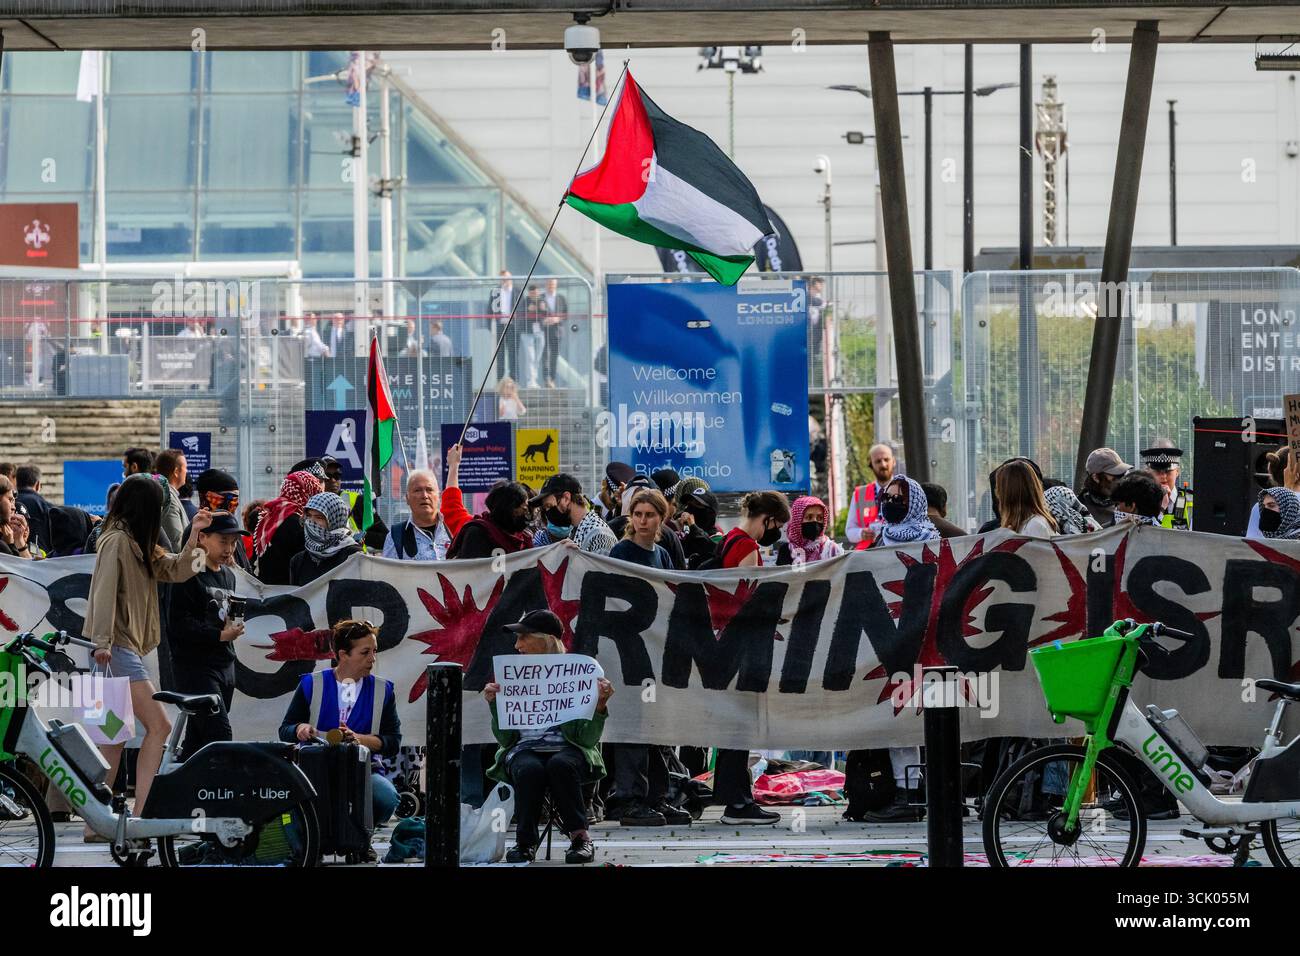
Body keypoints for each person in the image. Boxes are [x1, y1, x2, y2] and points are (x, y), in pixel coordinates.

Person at [84, 476, 213, 835]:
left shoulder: (134, 541)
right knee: (159, 726)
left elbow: (180, 570)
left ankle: (97, 822)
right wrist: (102, 642)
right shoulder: (118, 542)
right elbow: (105, 591)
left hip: (112, 650)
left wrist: (196, 538)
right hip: (115, 649)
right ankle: (143, 812)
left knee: (112, 740)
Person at [483, 610, 613, 863]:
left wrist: (599, 707)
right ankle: (524, 842)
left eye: (523, 637)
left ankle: (580, 838)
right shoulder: (512, 675)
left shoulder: (580, 672)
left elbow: (586, 741)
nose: (517, 645)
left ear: (545, 639)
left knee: (560, 765)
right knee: (529, 769)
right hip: (524, 749)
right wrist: (495, 705)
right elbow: (506, 739)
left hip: (570, 750)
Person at [279, 620, 403, 851]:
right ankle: (308, 845)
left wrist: (359, 739)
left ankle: (359, 840)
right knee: (290, 803)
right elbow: (285, 729)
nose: (372, 658)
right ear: (343, 654)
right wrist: (300, 729)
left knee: (386, 798)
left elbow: (393, 742)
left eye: (374, 651)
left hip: (363, 769)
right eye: (365, 652)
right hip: (315, 770)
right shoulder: (311, 684)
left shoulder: (382, 690)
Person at [710, 491, 790, 825]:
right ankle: (738, 803)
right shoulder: (747, 548)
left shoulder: (729, 540)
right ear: (767, 518)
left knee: (733, 725)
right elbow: (746, 601)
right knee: (740, 725)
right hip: (739, 646)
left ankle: (734, 796)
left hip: (723, 643)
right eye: (777, 524)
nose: (777, 532)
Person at [168, 511, 246, 760]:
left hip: (225, 666)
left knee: (198, 743)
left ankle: (183, 794)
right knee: (219, 736)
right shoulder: (188, 572)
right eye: (223, 541)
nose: (229, 548)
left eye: (234, 542)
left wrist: (229, 630)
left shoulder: (229, 575)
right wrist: (218, 635)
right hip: (195, 668)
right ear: (202, 537)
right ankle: (221, 795)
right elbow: (178, 624)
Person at [254, 470, 323, 585]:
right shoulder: (298, 523)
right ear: (305, 494)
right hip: (288, 591)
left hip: (266, 590)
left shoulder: (270, 516)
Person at [528, 473, 617, 556]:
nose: (548, 512)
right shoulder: (578, 529)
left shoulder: (598, 536)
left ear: (566, 498)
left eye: (549, 506)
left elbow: (601, 572)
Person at [447, 480, 532, 560]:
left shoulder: (524, 538)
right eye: (524, 509)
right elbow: (471, 570)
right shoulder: (478, 533)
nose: (527, 513)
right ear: (510, 509)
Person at [291, 492, 362, 586]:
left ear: (335, 520)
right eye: (308, 516)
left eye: (319, 517)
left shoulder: (353, 555)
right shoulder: (299, 560)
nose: (311, 522)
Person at [383, 469, 453, 561]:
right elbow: (388, 572)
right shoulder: (396, 536)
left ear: (439, 496)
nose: (424, 495)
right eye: (417, 490)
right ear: (407, 498)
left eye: (429, 490)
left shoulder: (454, 529)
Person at [845, 443, 896, 549]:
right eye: (878, 461)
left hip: (895, 550)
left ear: (894, 461)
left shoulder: (904, 490)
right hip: (868, 553)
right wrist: (861, 533)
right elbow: (850, 530)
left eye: (886, 459)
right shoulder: (860, 494)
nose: (883, 464)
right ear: (871, 465)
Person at [609, 488, 673, 570]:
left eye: (649, 515)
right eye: (638, 514)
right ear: (632, 516)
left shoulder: (663, 555)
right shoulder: (621, 551)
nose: (643, 521)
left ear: (661, 518)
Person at [995, 460, 1057, 538]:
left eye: (999, 487)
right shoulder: (1026, 525)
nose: (997, 492)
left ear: (1008, 493)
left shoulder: (1034, 526)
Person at [776, 495, 844, 565]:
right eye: (809, 517)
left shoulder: (832, 549)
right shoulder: (787, 550)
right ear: (797, 520)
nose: (815, 521)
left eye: (819, 518)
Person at [1140, 443, 1193, 529]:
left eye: (1168, 472)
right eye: (1157, 472)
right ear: (1148, 473)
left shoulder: (1192, 501)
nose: (1163, 476)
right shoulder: (1140, 501)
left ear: (1177, 472)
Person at [1078, 447, 1131, 528]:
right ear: (1095, 477)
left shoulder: (1127, 505)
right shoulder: (1080, 509)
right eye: (1115, 476)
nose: (1120, 480)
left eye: (1122, 474)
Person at [152, 449, 189, 553]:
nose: (186, 471)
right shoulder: (169, 499)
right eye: (185, 468)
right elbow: (176, 544)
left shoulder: (161, 492)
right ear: (176, 472)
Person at [489, 271, 521, 381]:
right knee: (500, 355)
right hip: (500, 326)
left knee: (513, 354)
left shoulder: (518, 291)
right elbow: (490, 310)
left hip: (513, 327)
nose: (505, 281)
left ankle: (514, 380)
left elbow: (522, 308)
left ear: (511, 278)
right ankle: (500, 380)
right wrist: (490, 328)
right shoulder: (495, 291)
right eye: (502, 278)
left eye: (507, 278)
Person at [15, 464, 51, 553]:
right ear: (38, 484)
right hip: (40, 558)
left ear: (16, 482)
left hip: (10, 556)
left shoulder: (8, 503)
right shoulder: (47, 507)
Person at [541, 278, 567, 388]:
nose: (551, 286)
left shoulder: (561, 298)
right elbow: (535, 313)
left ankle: (552, 379)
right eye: (549, 284)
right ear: (546, 285)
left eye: (553, 284)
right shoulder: (541, 298)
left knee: (554, 356)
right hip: (544, 331)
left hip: (557, 331)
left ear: (556, 285)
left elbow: (566, 314)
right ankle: (546, 378)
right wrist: (543, 320)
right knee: (545, 355)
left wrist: (557, 319)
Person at [0, 476, 34, 559]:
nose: (13, 507)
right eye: (10, 499)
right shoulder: (3, 546)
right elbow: (25, 571)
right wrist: (13, 545)